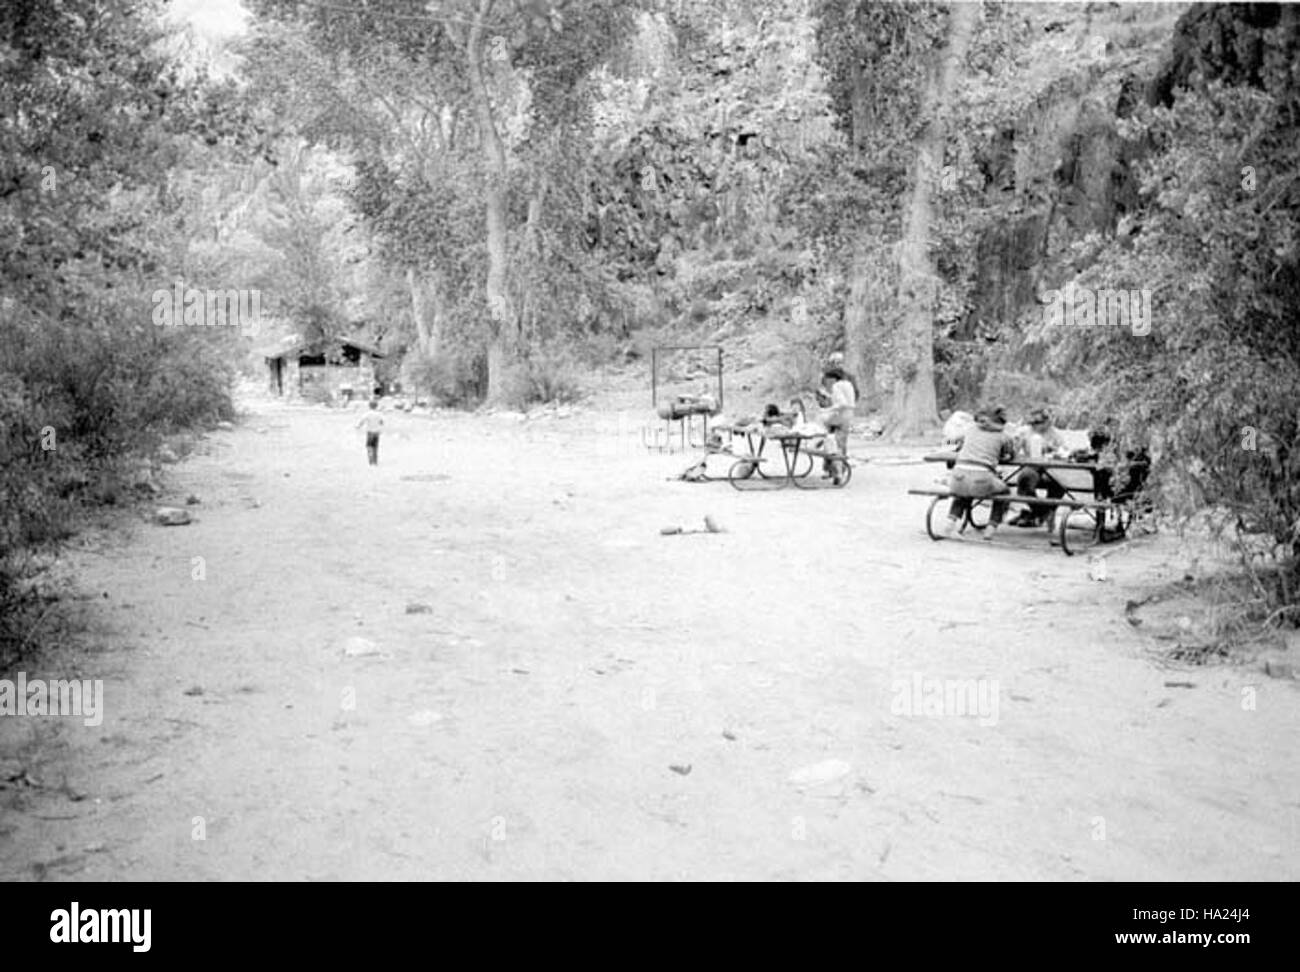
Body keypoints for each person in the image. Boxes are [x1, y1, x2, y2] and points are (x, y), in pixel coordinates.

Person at [942, 405, 1017, 540]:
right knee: (1004, 492)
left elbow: (949, 441)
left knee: (963, 491)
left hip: (957, 477)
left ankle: (949, 523)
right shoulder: (1003, 436)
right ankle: (990, 528)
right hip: (982, 478)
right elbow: (1011, 454)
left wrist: (953, 445)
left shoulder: (969, 429)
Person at [1008, 407, 1069, 527]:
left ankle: (1040, 514)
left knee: (1060, 483)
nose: (1035, 426)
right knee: (1025, 479)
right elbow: (1014, 451)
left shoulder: (1054, 434)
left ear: (1047, 422)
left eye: (1038, 422)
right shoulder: (1024, 432)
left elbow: (1065, 451)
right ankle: (1043, 513)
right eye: (1033, 423)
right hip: (1032, 467)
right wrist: (1015, 443)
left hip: (1050, 469)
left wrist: (1055, 451)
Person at [356, 399, 384, 466]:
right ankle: (375, 461)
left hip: (370, 433)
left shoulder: (368, 414)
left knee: (369, 447)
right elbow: (382, 422)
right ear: (376, 406)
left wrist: (358, 426)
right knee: (375, 447)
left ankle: (371, 461)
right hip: (377, 433)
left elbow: (362, 421)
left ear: (369, 406)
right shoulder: (379, 414)